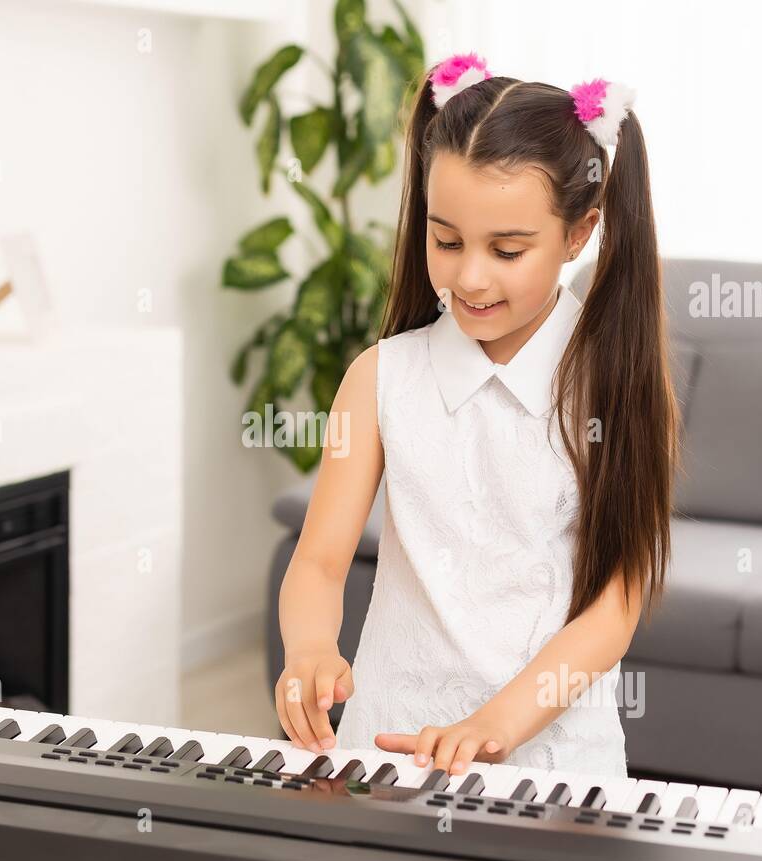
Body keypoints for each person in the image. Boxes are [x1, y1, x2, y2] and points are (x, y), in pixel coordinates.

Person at [274, 53, 679, 780]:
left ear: (579, 234)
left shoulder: (610, 387)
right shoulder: (380, 378)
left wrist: (497, 724)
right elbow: (320, 559)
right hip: (388, 746)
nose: (469, 276)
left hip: (554, 761)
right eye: (447, 240)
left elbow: (616, 603)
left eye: (508, 249)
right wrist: (308, 649)